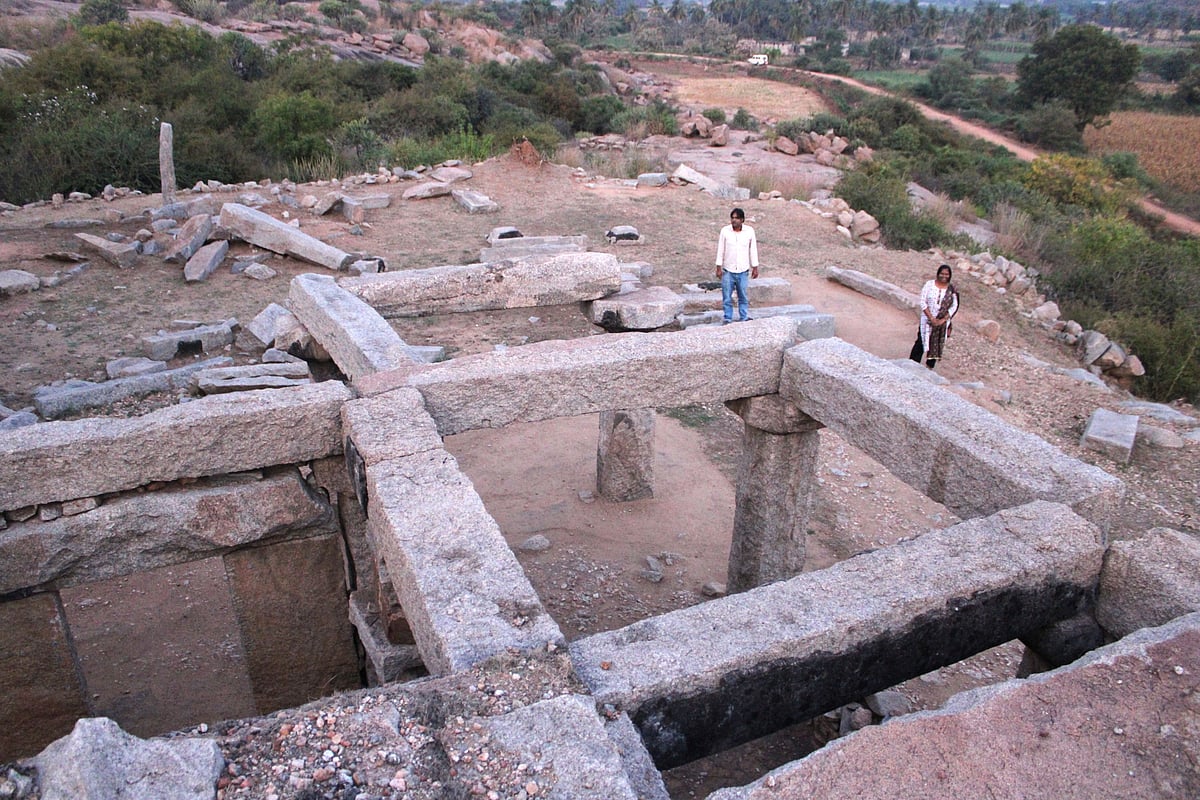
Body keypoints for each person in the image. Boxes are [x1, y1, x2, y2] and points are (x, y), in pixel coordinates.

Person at [911, 263, 959, 369]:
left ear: (950, 276)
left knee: (936, 343)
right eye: (942, 273)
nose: (944, 276)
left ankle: (929, 368)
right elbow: (923, 301)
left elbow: (954, 306)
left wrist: (943, 320)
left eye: (947, 274)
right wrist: (931, 318)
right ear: (938, 274)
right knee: (921, 340)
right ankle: (912, 365)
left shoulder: (952, 290)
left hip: (942, 322)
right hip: (927, 319)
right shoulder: (929, 284)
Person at [715, 207, 758, 324]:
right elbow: (721, 249)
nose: (734, 221)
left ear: (742, 220)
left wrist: (755, 267)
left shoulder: (749, 231)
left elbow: (753, 249)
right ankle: (727, 318)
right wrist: (718, 267)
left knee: (743, 296)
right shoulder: (725, 231)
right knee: (727, 297)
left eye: (737, 218)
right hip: (728, 270)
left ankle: (743, 317)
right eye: (732, 218)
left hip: (743, 270)